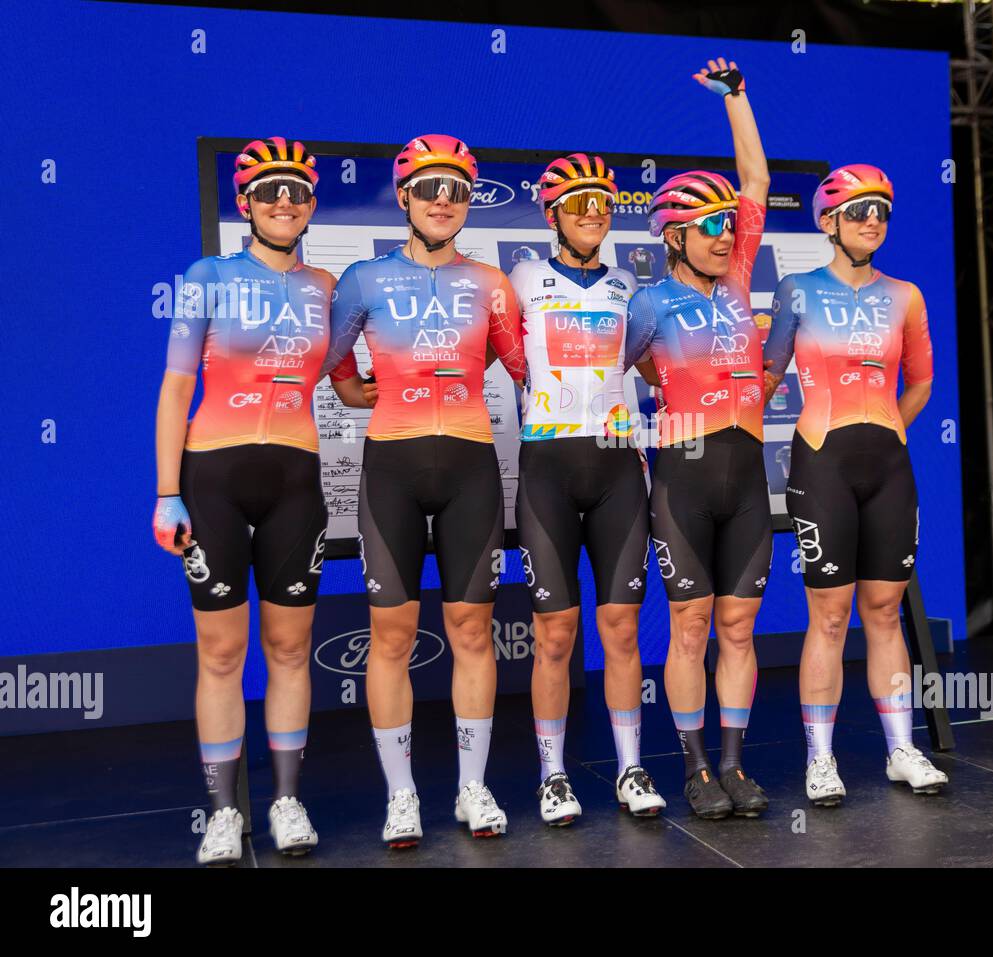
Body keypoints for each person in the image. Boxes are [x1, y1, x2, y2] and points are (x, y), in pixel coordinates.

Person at [154, 137, 363, 865]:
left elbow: (350, 384)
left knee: (289, 648)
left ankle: (285, 801)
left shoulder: (330, 287)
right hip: (212, 478)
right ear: (245, 202)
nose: (284, 202)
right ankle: (220, 812)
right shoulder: (207, 275)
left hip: (296, 484)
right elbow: (177, 388)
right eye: (270, 190)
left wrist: (435, 377)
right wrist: (166, 493)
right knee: (220, 651)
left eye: (298, 192)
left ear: (310, 206)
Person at [322, 135, 529, 843]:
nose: (445, 201)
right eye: (431, 188)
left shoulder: (493, 285)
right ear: (405, 196)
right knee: (392, 634)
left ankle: (472, 789)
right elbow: (335, 364)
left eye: (459, 191)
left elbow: (530, 365)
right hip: (392, 469)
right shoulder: (362, 279)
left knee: (473, 631)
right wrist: (352, 390)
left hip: (472, 463)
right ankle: (402, 794)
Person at [763, 163, 950, 806]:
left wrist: (890, 423)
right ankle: (821, 760)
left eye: (881, 211)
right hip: (821, 464)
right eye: (860, 210)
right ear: (828, 222)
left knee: (883, 612)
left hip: (890, 465)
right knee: (831, 615)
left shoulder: (907, 295)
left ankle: (901, 748)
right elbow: (765, 377)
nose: (873, 220)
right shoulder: (796, 291)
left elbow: (923, 380)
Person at [624, 58, 773, 819]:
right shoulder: (648, 303)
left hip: (747, 471)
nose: (725, 234)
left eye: (727, 226)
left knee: (739, 624)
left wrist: (737, 100)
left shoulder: (741, 280)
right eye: (709, 226)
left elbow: (754, 180)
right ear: (674, 236)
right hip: (682, 472)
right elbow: (603, 380)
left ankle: (735, 764)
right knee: (690, 624)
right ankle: (691, 767)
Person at [509, 152, 666, 824]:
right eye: (579, 205)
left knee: (621, 628)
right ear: (552, 214)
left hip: (615, 466)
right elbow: (483, 347)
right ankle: (553, 775)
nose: (593, 216)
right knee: (555, 634)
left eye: (603, 205)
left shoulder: (629, 287)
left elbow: (659, 369)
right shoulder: (520, 279)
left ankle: (631, 767)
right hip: (547, 464)